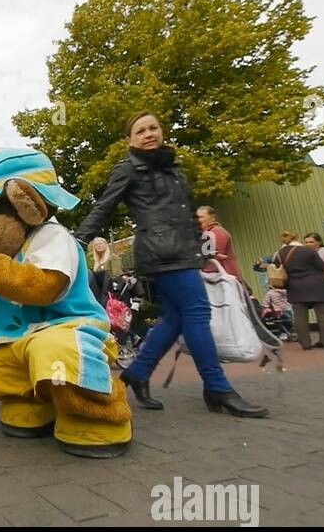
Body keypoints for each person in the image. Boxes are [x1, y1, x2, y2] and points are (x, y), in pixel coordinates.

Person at [74, 111, 268, 418]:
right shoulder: (128, 169)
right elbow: (105, 205)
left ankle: (137, 374)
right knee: (198, 312)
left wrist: (199, 251)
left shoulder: (175, 169)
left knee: (175, 319)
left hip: (184, 252)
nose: (149, 134)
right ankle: (217, 387)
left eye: (154, 128)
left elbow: (187, 213)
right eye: (141, 131)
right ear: (130, 140)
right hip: (160, 253)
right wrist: (79, 240)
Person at [276, 230, 324, 350]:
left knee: (300, 317)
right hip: (317, 285)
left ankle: (305, 344)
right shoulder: (308, 251)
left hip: (295, 286)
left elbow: (277, 268)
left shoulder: (279, 254)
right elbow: (322, 266)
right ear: (297, 239)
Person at [196, 205, 243, 279]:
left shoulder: (216, 232)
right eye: (196, 217)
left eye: (201, 217)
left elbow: (213, 262)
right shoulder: (207, 233)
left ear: (213, 218)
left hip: (223, 282)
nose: (198, 220)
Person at [88, 236, 123, 305]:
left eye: (101, 243)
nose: (99, 246)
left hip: (110, 289)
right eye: (96, 245)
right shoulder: (96, 263)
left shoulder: (113, 258)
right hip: (99, 291)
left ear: (105, 245)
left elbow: (117, 275)